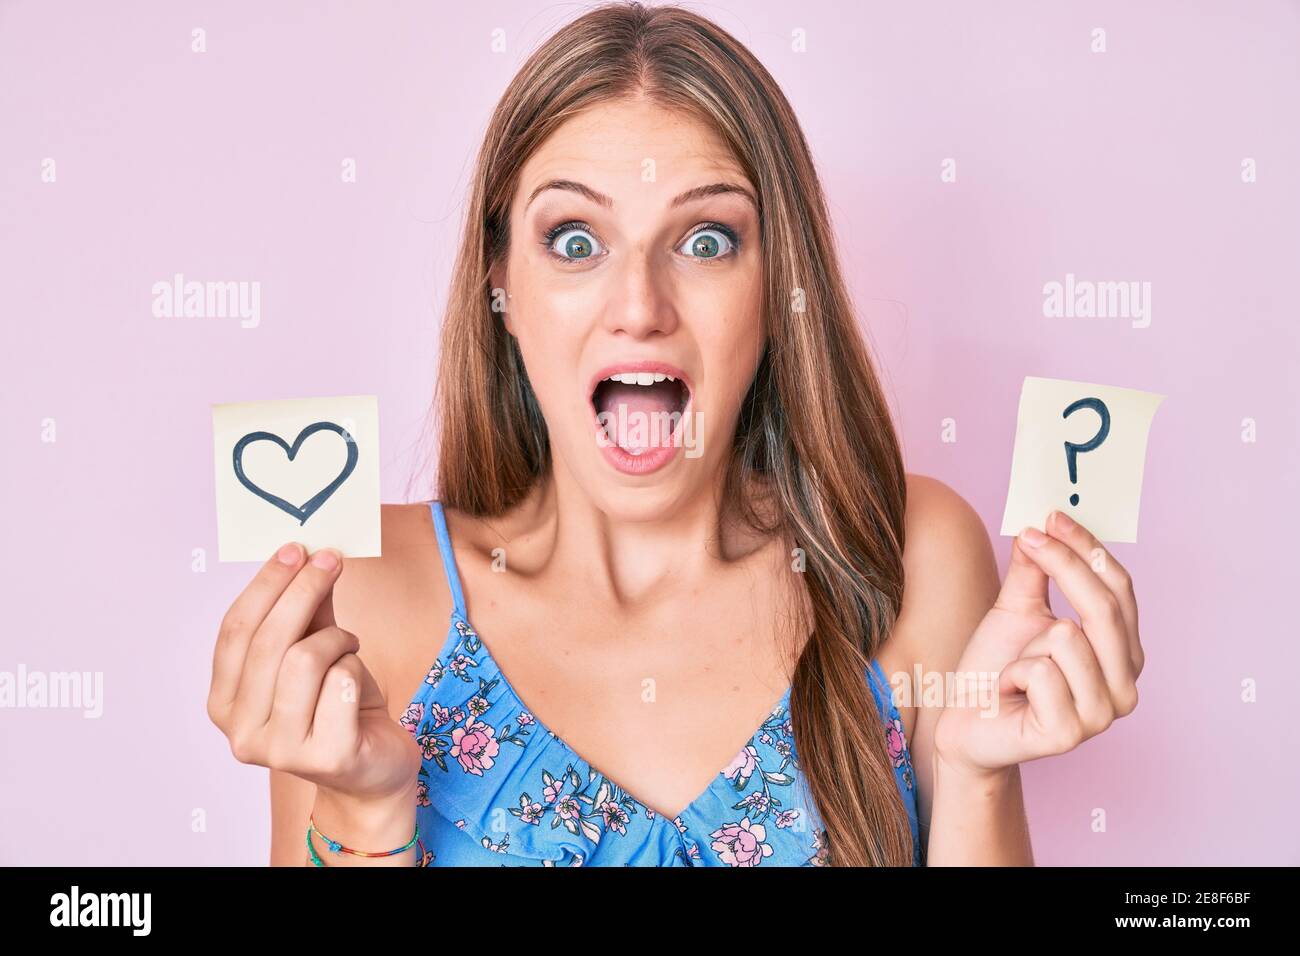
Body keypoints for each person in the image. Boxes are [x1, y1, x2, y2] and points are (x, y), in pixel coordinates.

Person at [207, 1, 1143, 867]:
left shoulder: (909, 556)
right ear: (501, 288)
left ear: (781, 289)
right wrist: (366, 811)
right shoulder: (360, 596)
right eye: (575, 241)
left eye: (706, 241)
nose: (640, 307)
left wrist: (978, 776)